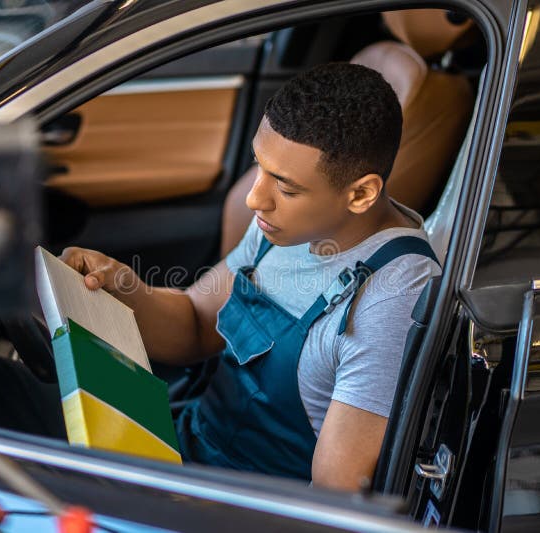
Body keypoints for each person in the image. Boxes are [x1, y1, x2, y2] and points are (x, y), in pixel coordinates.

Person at [59, 63, 441, 490]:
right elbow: (194, 324)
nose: (255, 197)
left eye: (286, 187)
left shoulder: (392, 298)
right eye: (258, 166)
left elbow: (336, 494)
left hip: (229, 506)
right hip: (183, 446)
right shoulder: (290, 225)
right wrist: (123, 287)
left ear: (360, 193)